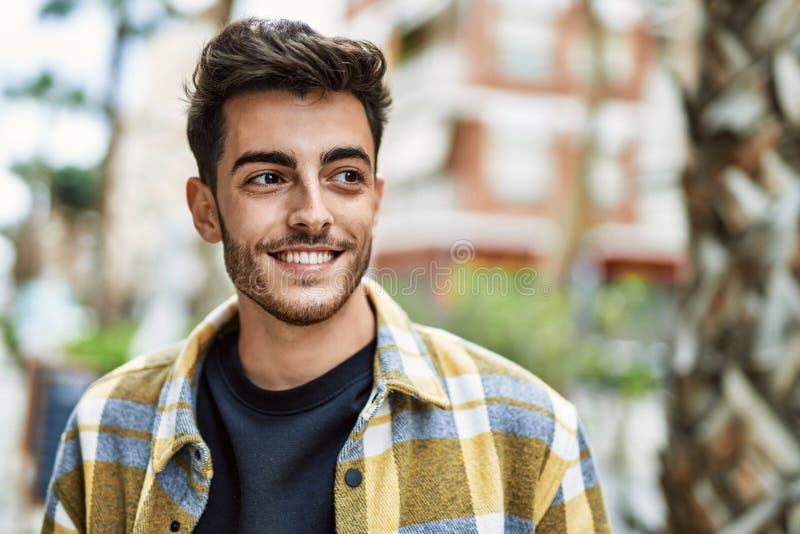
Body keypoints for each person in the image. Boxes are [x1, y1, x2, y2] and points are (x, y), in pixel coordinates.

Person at [43, 18, 609, 534]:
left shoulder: (529, 434)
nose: (313, 213)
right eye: (267, 177)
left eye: (344, 175)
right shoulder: (109, 429)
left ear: (376, 201)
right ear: (206, 210)